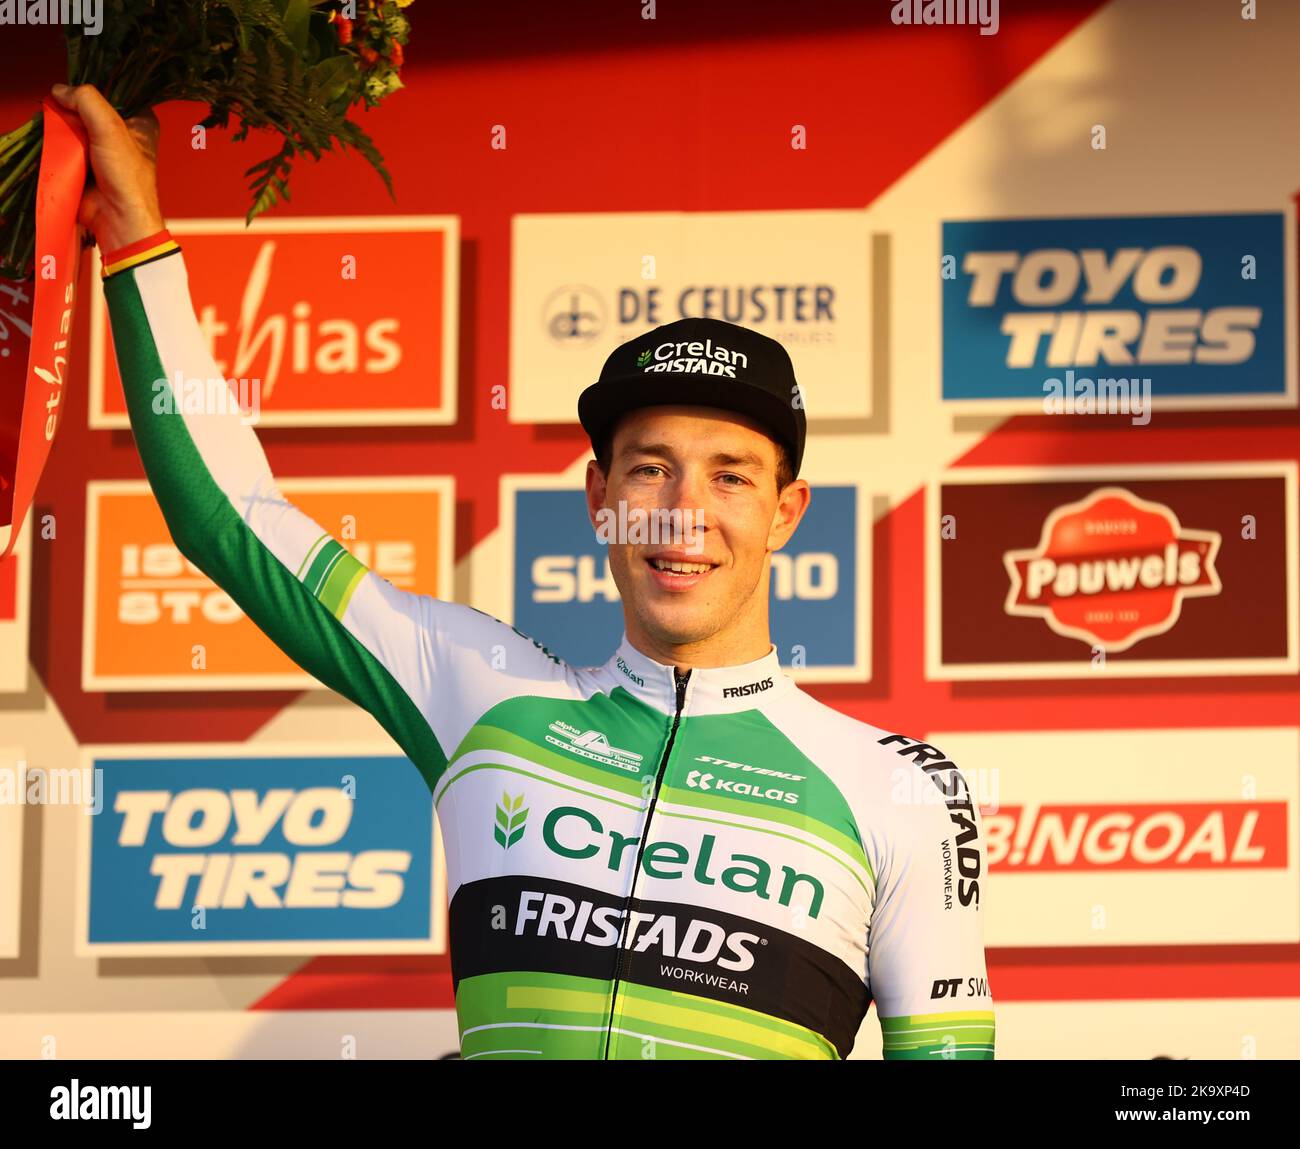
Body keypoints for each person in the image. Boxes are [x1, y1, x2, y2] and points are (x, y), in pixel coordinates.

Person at [53, 81, 994, 1060]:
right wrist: (135, 234)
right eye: (650, 468)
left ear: (785, 514)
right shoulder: (481, 693)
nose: (683, 513)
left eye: (730, 476)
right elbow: (227, 520)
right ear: (598, 499)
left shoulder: (897, 790)